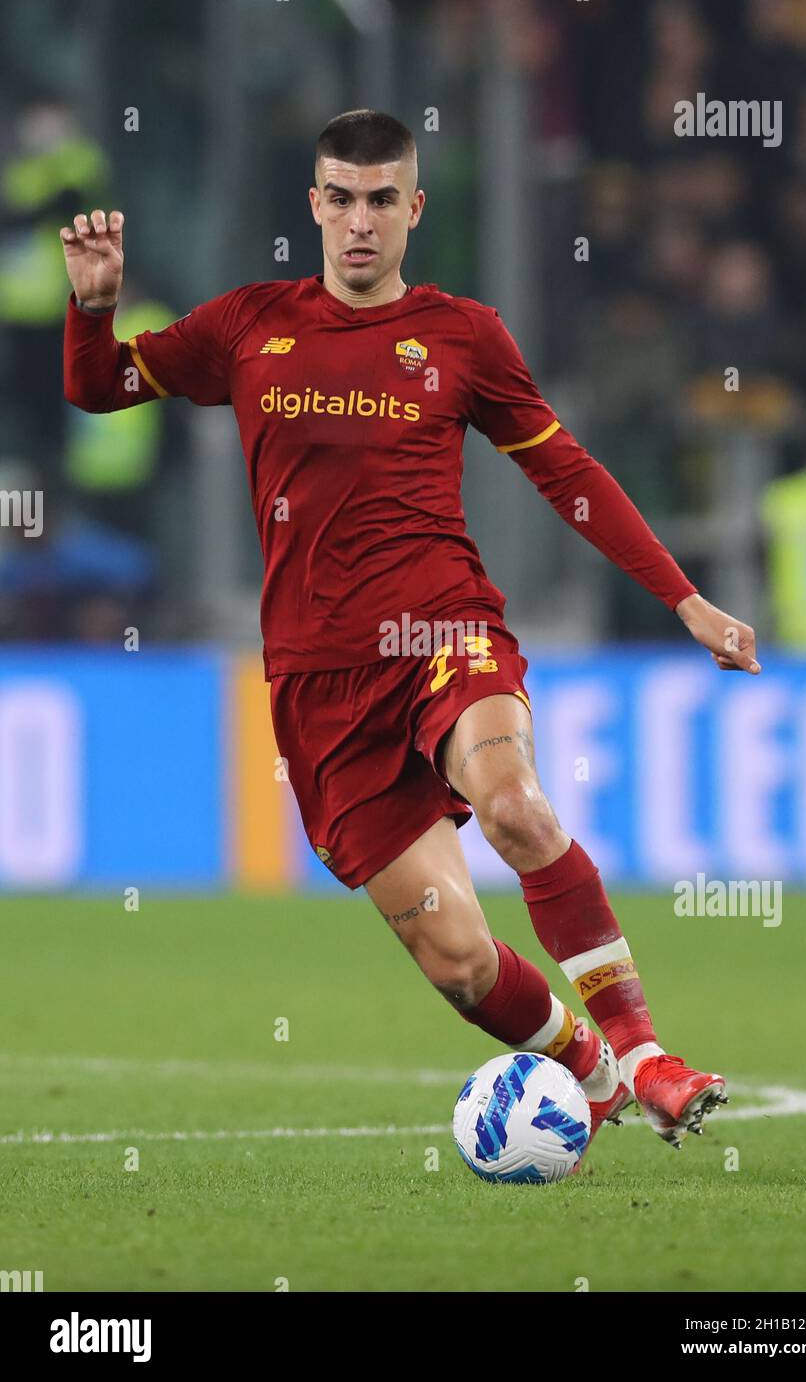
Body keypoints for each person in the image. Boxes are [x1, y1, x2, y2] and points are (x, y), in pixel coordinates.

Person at [62, 110, 760, 1158]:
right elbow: (99, 386)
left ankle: (646, 1050)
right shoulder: (248, 325)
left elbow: (564, 472)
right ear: (312, 203)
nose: (358, 222)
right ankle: (599, 1075)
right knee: (459, 961)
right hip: (316, 680)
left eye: (381, 199)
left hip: (441, 628)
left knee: (516, 804)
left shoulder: (462, 335)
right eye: (339, 197)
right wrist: (96, 309)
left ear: (413, 209)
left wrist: (684, 600)